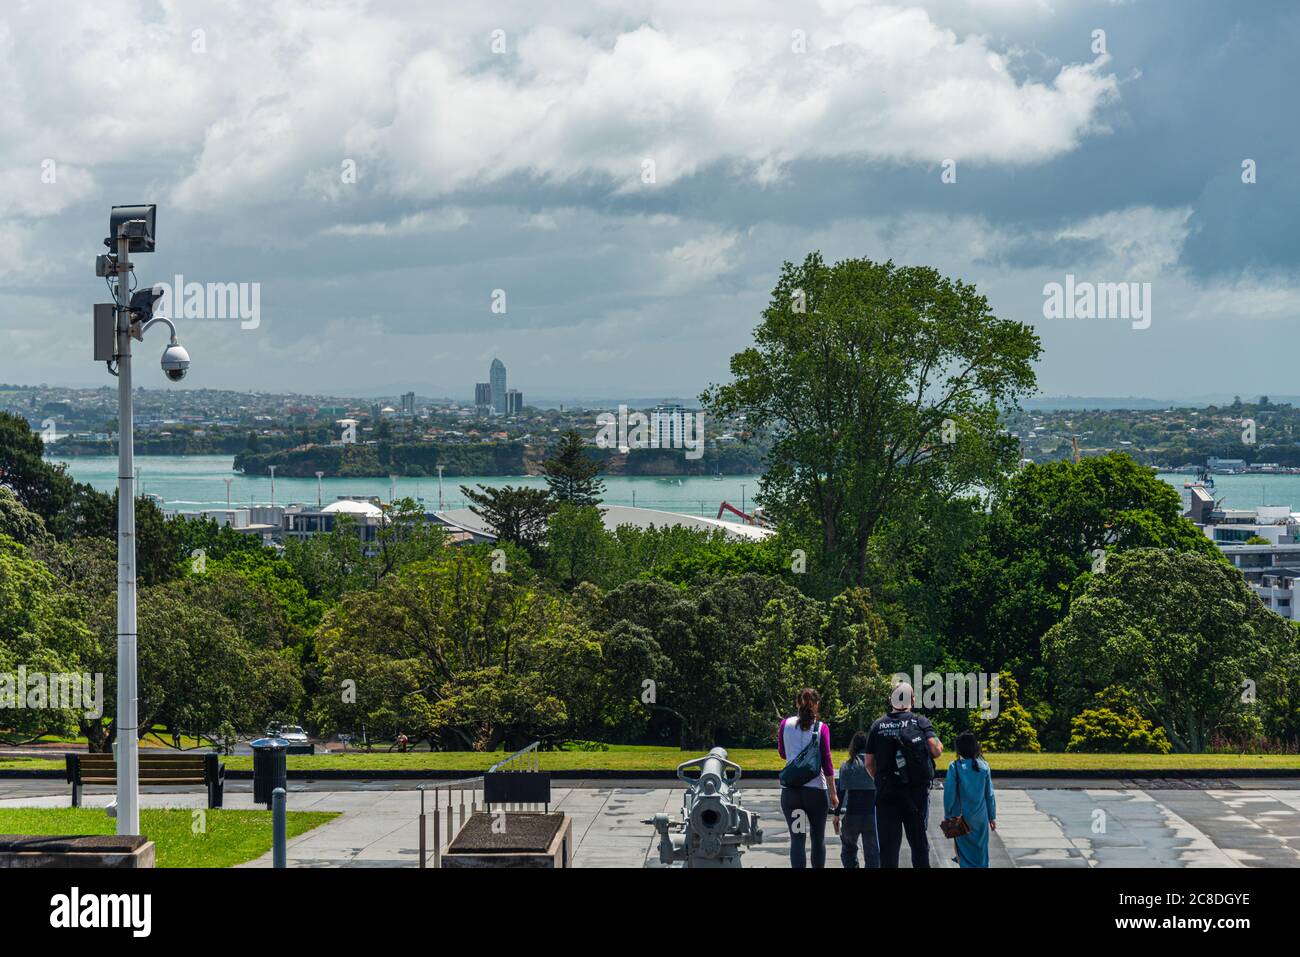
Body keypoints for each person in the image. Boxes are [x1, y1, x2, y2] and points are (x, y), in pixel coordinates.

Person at [864, 682, 943, 868]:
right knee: (919, 846)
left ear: (891, 699)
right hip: (915, 795)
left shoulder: (878, 725)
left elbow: (868, 762)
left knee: (889, 850)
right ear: (913, 700)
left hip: (887, 793)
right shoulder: (920, 721)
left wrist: (880, 779)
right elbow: (936, 749)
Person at [777, 687, 838, 868]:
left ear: (797, 703)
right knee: (817, 839)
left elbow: (782, 753)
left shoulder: (785, 724)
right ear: (817, 705)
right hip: (816, 794)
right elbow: (827, 762)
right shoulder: (821, 728)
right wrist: (833, 794)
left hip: (792, 794)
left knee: (797, 840)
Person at [943, 731, 997, 868]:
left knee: (964, 856)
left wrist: (948, 814)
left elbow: (949, 795)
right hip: (981, 818)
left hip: (961, 818)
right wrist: (992, 816)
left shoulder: (954, 767)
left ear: (959, 748)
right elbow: (989, 795)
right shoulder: (984, 766)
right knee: (981, 854)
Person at [834, 731, 880, 868]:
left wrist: (836, 815)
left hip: (852, 815)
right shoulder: (876, 766)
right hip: (872, 815)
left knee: (848, 850)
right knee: (872, 854)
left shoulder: (847, 766)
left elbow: (840, 793)